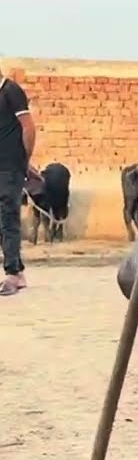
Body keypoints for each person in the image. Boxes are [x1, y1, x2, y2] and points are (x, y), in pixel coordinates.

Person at [0, 68, 38, 296]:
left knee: (8, 217)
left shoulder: (11, 91)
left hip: (9, 168)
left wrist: (24, 160)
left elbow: (28, 127)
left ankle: (14, 274)